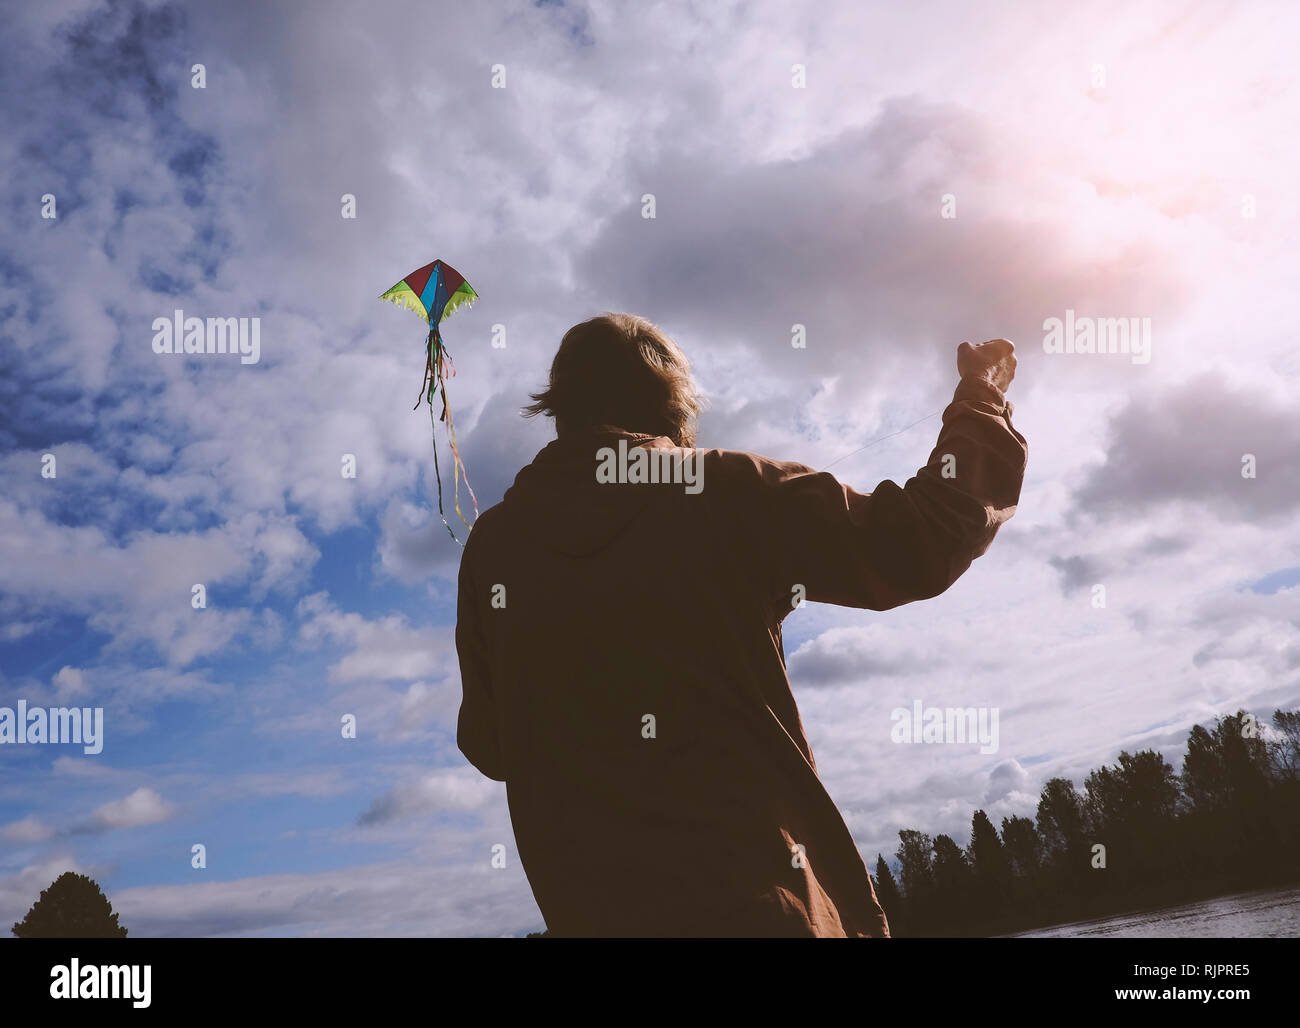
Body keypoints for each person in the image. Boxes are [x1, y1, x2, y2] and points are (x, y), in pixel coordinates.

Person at [455, 313, 1027, 936]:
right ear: (672, 403)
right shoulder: (722, 489)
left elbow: (490, 744)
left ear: (560, 407)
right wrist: (982, 401)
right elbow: (919, 544)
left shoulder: (491, 549)